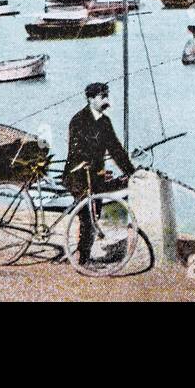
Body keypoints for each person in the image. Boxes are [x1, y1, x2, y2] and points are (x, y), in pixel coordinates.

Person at [64, 82, 135, 265]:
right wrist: (89, 165)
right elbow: (75, 151)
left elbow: (116, 149)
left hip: (95, 176)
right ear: (90, 99)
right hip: (77, 175)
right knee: (88, 217)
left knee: (95, 215)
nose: (106, 100)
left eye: (106, 96)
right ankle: (83, 260)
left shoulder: (105, 122)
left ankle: (83, 254)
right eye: (102, 97)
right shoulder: (78, 120)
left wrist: (131, 172)